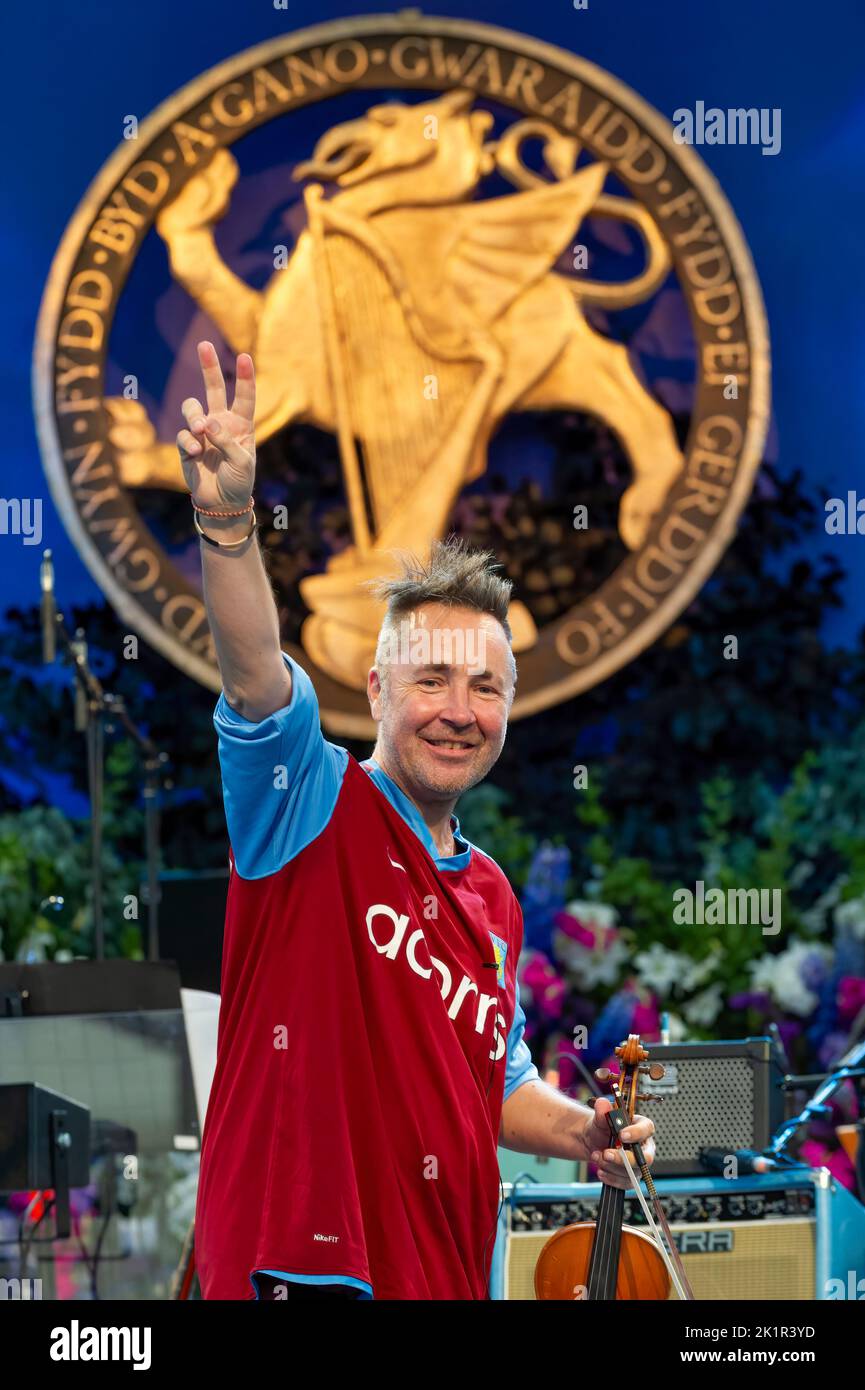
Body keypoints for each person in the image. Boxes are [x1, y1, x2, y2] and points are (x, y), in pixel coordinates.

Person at [180, 341, 656, 1300]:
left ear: (509, 709)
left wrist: (589, 1134)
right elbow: (253, 670)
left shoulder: (493, 898)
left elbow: (498, 1082)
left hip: (439, 1276)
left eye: (485, 687)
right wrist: (227, 521)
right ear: (376, 687)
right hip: (298, 1271)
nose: (457, 707)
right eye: (430, 678)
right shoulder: (307, 802)